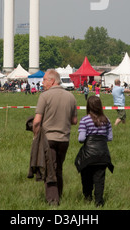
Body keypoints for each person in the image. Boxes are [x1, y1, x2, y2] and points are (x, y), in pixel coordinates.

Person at [32, 69, 78, 205]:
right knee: (58, 167)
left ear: (52, 81)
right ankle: (59, 194)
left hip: (48, 139)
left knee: (49, 170)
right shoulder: (71, 97)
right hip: (64, 139)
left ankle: (53, 200)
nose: (42, 82)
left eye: (45, 79)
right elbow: (75, 121)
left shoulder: (44, 96)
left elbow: (36, 121)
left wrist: (35, 136)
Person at [75, 96, 114, 207]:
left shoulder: (85, 120)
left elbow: (81, 139)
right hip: (103, 153)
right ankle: (99, 203)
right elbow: (109, 138)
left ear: (88, 106)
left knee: (86, 178)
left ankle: (87, 199)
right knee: (99, 180)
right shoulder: (106, 120)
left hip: (88, 155)